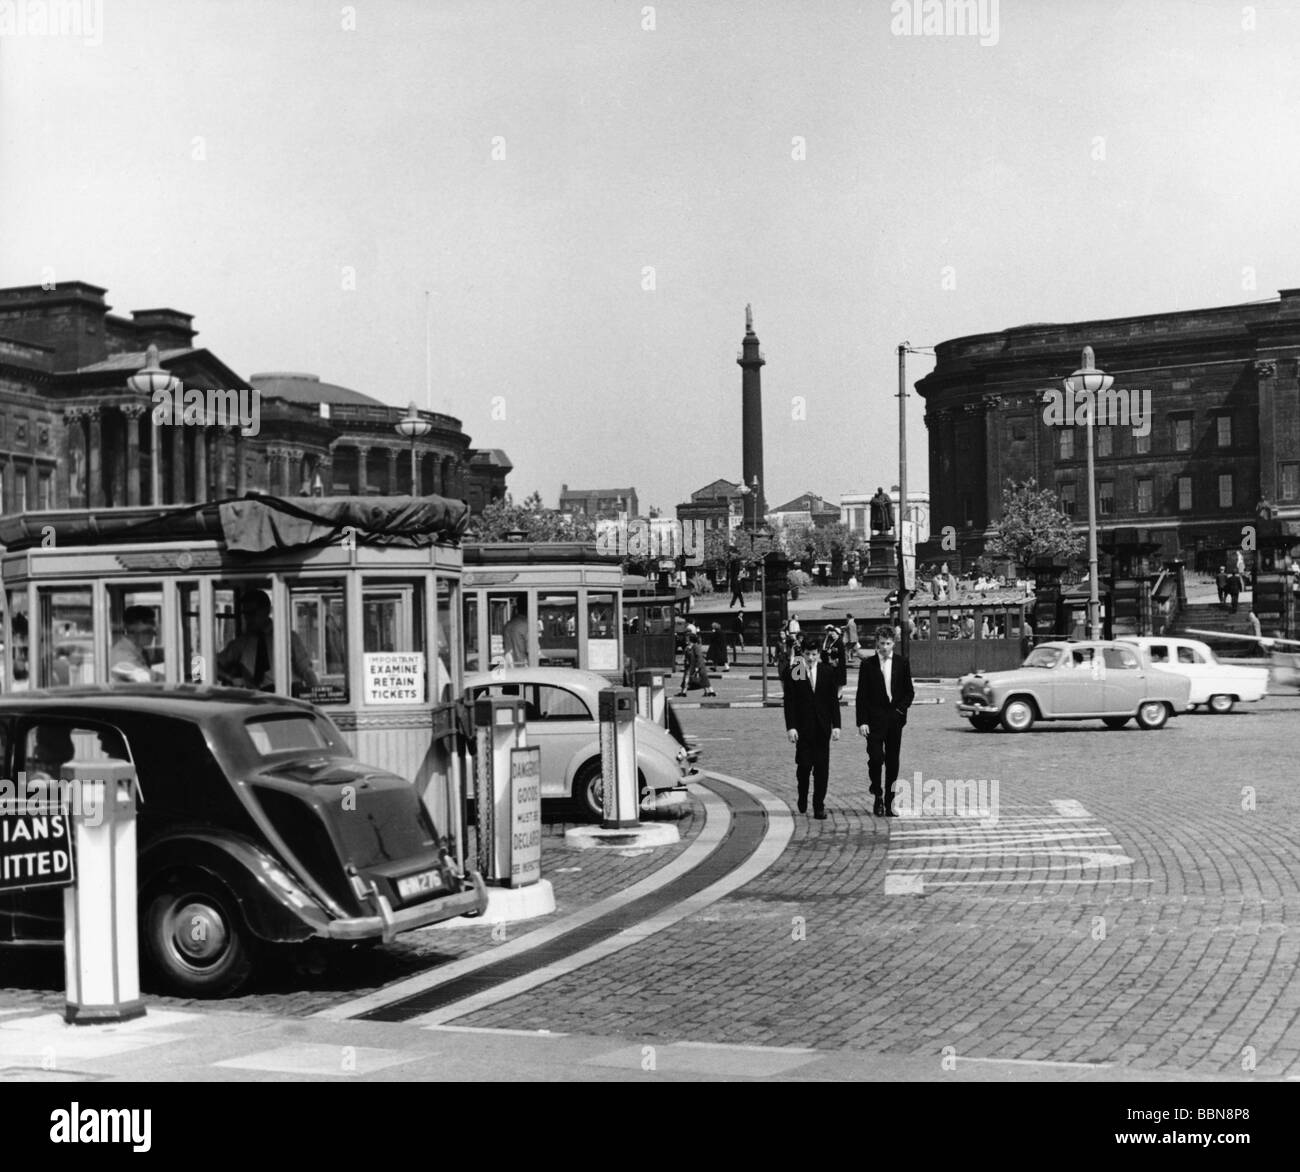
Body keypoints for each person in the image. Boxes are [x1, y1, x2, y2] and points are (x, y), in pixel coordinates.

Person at [856, 625, 915, 818]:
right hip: (873, 720)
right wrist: (862, 721)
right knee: (875, 758)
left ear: (894, 643)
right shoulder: (867, 665)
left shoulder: (902, 663)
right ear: (876, 643)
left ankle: (888, 803)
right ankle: (876, 789)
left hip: (895, 720)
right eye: (881, 643)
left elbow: (909, 692)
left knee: (892, 761)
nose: (884, 647)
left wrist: (900, 711)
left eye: (888, 643)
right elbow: (861, 696)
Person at [218, 589, 318, 693]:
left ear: (266, 611)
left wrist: (317, 694)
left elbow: (306, 670)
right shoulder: (241, 643)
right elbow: (211, 664)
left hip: (289, 695)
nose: (248, 619)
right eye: (245, 614)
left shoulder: (288, 638)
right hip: (259, 700)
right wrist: (230, 679)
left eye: (252, 613)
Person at [782, 641, 841, 818]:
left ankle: (818, 805)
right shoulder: (797, 671)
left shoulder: (827, 671)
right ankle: (802, 795)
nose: (810, 658)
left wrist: (836, 725)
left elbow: (833, 701)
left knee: (822, 769)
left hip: (822, 727)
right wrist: (791, 727)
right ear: (803, 654)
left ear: (818, 654)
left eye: (814, 654)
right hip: (802, 727)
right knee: (804, 766)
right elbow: (790, 702)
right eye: (807, 654)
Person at [110, 606, 162, 684]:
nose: (153, 634)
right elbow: (145, 678)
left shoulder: (138, 651)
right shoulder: (121, 655)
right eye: (148, 631)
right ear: (132, 628)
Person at [503, 599, 529, 667]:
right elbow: (533, 650)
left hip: (509, 667)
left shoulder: (507, 625)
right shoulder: (527, 625)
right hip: (524, 668)